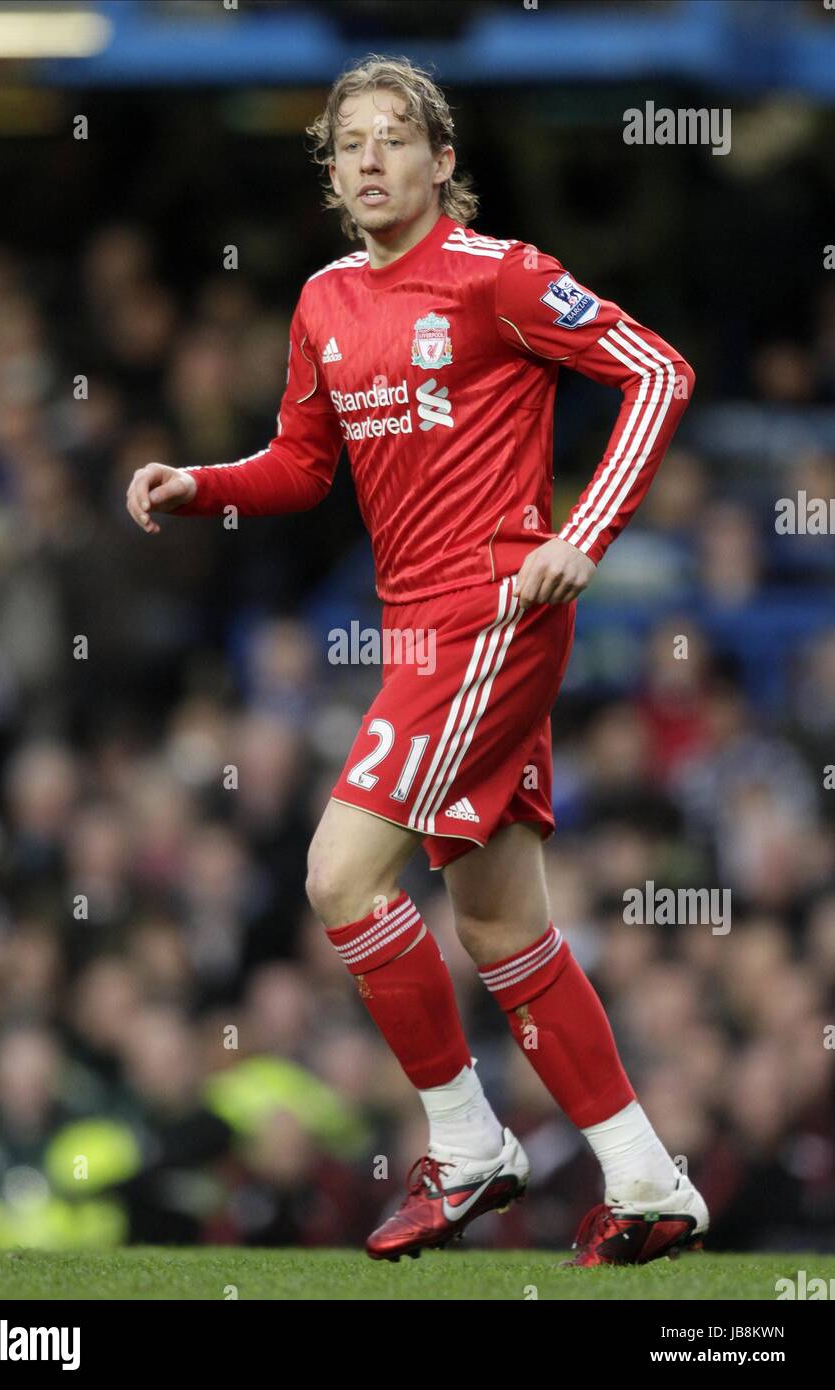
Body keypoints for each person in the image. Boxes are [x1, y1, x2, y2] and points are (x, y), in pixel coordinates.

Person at [126, 54, 708, 1267]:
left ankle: (466, 1143)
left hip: (490, 615)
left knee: (339, 876)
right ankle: (649, 1177)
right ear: (332, 172)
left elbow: (660, 372)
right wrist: (201, 486)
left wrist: (580, 536)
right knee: (498, 926)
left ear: (444, 161)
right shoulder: (325, 301)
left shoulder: (504, 278)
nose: (374, 158)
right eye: (352, 144)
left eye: (399, 138)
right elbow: (302, 464)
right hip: (425, 629)